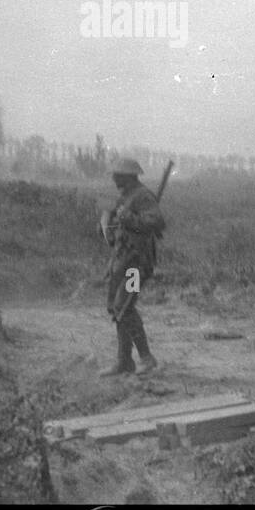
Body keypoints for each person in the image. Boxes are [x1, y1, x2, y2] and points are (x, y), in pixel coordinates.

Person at [99, 158, 164, 377]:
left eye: (117, 174)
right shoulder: (124, 197)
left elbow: (155, 223)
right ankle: (124, 361)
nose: (114, 178)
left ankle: (146, 358)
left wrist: (127, 218)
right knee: (118, 308)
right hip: (122, 261)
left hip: (137, 263)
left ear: (129, 176)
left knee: (124, 306)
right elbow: (115, 226)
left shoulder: (142, 196)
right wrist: (107, 226)